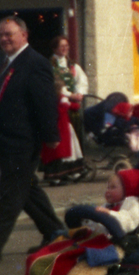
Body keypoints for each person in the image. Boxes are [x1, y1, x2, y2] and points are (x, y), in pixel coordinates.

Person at [0, 17, 65, 266]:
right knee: (26, 189)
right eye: (0, 34)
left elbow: (45, 103)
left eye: (9, 34)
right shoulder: (0, 60)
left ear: (24, 35)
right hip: (2, 139)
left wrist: (51, 136)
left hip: (22, 141)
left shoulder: (36, 63)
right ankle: (55, 233)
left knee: (10, 193)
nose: (4, 39)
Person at [44, 35, 87, 182]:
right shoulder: (49, 65)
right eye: (61, 46)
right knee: (62, 141)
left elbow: (81, 80)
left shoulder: (73, 65)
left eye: (66, 46)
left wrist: (79, 94)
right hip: (59, 106)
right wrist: (70, 95)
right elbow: (55, 86)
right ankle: (60, 171)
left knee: (74, 140)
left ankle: (73, 170)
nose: (65, 49)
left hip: (72, 107)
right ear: (54, 48)